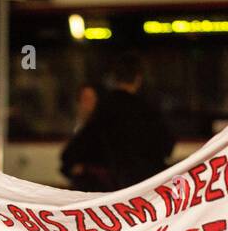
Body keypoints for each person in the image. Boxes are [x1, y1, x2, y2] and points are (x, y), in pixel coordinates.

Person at [60, 53, 172, 191]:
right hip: (148, 189)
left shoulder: (103, 110)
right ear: (138, 79)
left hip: (113, 191)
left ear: (114, 79)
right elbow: (167, 146)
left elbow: (74, 153)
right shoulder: (148, 110)